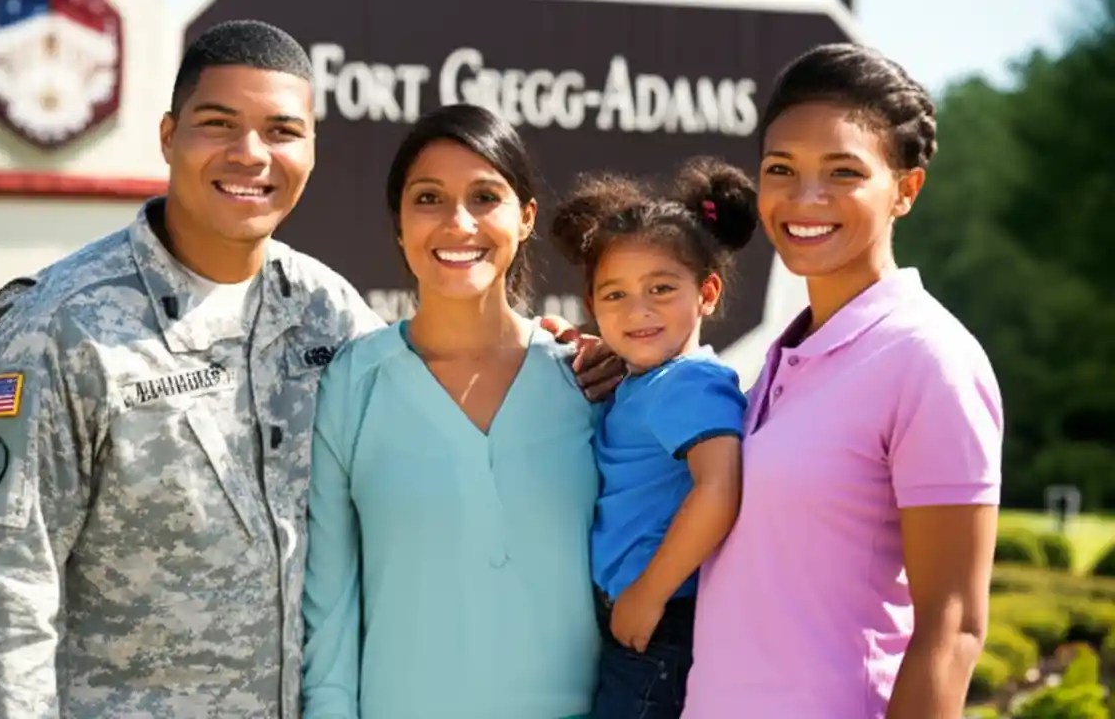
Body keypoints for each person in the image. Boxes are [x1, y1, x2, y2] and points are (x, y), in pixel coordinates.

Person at [0, 21, 613, 718]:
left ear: (312, 149)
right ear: (168, 135)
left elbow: (441, 382)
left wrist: (560, 352)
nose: (250, 154)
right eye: (219, 124)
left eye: (282, 130)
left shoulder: (325, 310)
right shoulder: (56, 327)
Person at [682, 43, 1003, 719]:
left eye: (843, 171)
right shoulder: (782, 357)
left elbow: (954, 626)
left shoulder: (928, 358)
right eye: (781, 169)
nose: (805, 199)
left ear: (905, 190)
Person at [300, 103, 602, 719]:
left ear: (525, 219)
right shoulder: (353, 384)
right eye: (429, 198)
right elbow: (329, 613)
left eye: (485, 196)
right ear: (400, 224)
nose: (457, 222)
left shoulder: (586, 380)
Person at [548, 157, 751, 719]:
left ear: (706, 292)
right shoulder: (647, 379)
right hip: (635, 621)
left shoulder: (689, 384)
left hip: (661, 625)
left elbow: (719, 488)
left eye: (661, 289)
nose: (638, 311)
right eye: (614, 296)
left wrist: (649, 594)